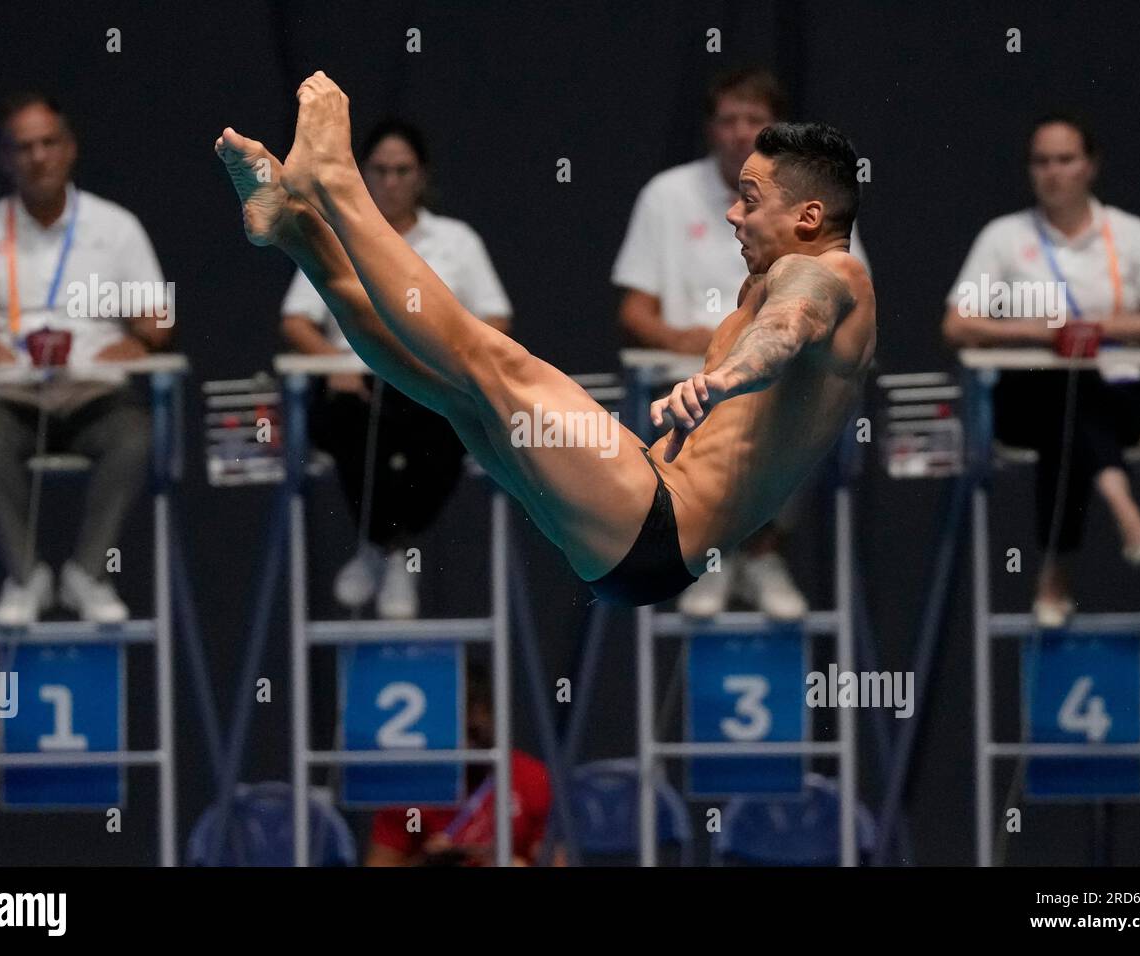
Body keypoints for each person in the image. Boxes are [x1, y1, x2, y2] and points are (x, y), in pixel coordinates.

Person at [216, 71, 874, 608]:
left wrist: (724, 378)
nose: (734, 213)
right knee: (455, 391)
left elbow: (790, 324)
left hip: (659, 519)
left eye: (750, 199)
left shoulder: (829, 273)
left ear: (810, 216)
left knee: (488, 357)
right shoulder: (782, 275)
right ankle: (298, 229)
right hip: (646, 528)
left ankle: (334, 179)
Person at [613, 67, 871, 618]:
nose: (739, 132)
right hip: (671, 398)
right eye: (728, 119)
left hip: (743, 405)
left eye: (753, 120)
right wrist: (696, 352)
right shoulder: (668, 195)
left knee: (491, 370)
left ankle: (752, 550)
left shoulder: (830, 258)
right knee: (487, 385)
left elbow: (795, 316)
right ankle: (720, 548)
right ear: (709, 128)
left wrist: (725, 375)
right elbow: (634, 309)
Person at [0, 93, 172, 625]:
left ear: (69, 149)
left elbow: (160, 317)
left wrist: (143, 339)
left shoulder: (117, 227)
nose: (37, 157)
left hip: (92, 386)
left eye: (48, 144)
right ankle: (25, 575)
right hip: (11, 388)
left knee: (138, 436)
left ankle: (88, 571)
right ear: (5, 159)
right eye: (24, 147)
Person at [942, 114, 1140, 627]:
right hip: (1024, 403)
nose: (1053, 172)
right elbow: (958, 325)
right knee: (1061, 393)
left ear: (1090, 166)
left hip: (1116, 398)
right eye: (1041, 161)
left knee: (1075, 415)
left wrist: (1101, 327)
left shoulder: (1131, 235)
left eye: (1065, 159)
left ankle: (1055, 571)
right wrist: (1042, 333)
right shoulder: (1004, 238)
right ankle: (1121, 503)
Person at [281, 119, 512, 618]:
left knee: (447, 427)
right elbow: (297, 318)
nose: (390, 182)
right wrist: (332, 363)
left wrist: (457, 359)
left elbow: (496, 316)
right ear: (362, 174)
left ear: (422, 176)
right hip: (356, 384)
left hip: (431, 380)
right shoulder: (336, 233)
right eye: (380, 171)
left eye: (402, 171)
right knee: (349, 424)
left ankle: (381, 547)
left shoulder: (457, 241)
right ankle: (392, 550)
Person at [363, 661, 554, 866]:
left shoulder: (533, 778)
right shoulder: (410, 791)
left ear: (495, 715)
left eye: (473, 731)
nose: (466, 745)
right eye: (456, 731)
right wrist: (426, 863)